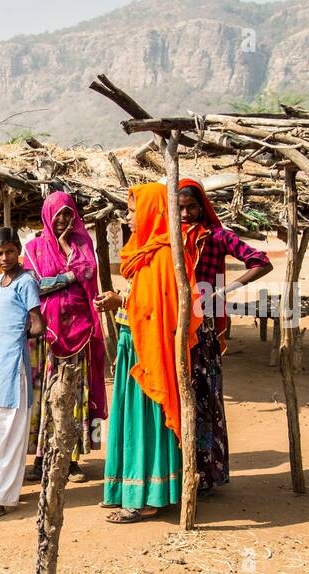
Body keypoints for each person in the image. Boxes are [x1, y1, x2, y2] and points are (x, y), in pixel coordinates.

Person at [93, 183, 204, 523]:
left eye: (132, 210)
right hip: (135, 344)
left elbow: (166, 308)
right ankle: (129, 490)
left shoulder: (165, 254)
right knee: (133, 421)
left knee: (146, 423)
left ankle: (146, 498)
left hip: (150, 350)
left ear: (151, 211)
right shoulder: (145, 251)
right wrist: (123, 298)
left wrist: (121, 301)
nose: (128, 216)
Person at [177, 179, 273, 495]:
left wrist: (222, 292)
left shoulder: (217, 237)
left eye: (192, 206)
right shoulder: (171, 241)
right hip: (176, 327)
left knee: (204, 398)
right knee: (178, 399)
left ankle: (206, 475)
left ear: (203, 207)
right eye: (180, 208)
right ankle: (178, 473)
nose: (187, 213)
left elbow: (261, 262)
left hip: (204, 330)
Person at [22, 192, 107, 485]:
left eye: (67, 214)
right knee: (43, 395)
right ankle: (41, 456)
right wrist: (70, 275)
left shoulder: (83, 245)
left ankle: (71, 459)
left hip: (79, 332)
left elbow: (89, 272)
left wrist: (65, 252)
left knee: (74, 395)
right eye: (57, 214)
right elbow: (33, 285)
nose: (61, 220)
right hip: (46, 333)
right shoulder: (33, 248)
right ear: (47, 215)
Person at [0, 228, 42, 523]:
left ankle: (0, 499)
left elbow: (37, 324)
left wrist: (16, 336)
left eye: (10, 251)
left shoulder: (25, 282)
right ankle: (4, 492)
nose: (4, 257)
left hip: (13, 365)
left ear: (18, 251)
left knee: (8, 434)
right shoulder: (1, 282)